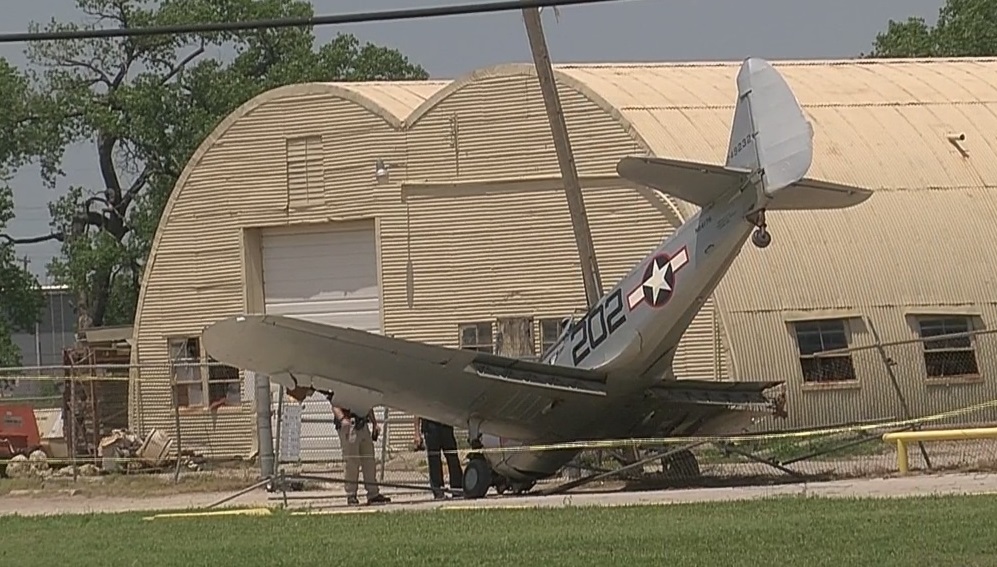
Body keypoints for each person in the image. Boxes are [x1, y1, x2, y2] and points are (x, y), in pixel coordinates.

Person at [334, 402, 391, 505]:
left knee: (369, 461)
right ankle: (351, 495)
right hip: (350, 425)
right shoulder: (342, 387)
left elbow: (366, 404)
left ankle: (373, 494)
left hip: (363, 424)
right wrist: (342, 419)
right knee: (352, 462)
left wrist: (374, 423)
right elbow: (334, 403)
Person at [414, 416, 463, 499]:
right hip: (430, 427)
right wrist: (417, 433)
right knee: (434, 460)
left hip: (445, 424)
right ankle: (438, 491)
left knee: (452, 457)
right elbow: (417, 411)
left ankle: (457, 488)